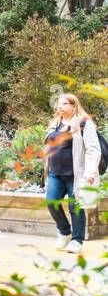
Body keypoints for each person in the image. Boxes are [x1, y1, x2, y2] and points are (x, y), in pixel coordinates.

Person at [44, 93, 102, 254]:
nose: (59, 106)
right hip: (56, 173)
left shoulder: (84, 123)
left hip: (76, 174)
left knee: (75, 207)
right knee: (51, 202)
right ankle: (64, 232)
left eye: (63, 103)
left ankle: (77, 240)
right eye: (58, 104)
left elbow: (93, 150)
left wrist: (90, 172)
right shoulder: (56, 123)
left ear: (73, 106)